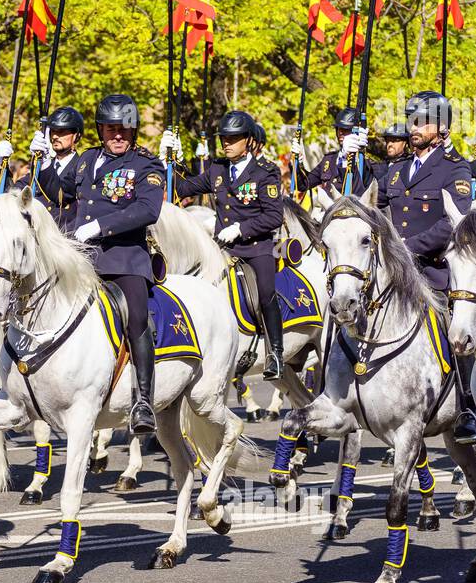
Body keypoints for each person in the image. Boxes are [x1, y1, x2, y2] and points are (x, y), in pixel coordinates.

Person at [32, 94, 164, 433]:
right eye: (110, 129)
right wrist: (45, 161)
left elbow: (148, 210)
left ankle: (144, 401)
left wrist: (99, 227)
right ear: (100, 130)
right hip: (83, 259)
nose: (117, 135)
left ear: (133, 132)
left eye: (124, 130)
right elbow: (59, 193)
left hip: (124, 260)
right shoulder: (86, 159)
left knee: (136, 319)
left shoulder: (146, 165)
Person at [375, 90, 476, 442]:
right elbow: (373, 209)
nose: (414, 128)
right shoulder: (397, 169)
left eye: (423, 121)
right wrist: (350, 159)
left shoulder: (456, 169)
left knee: (456, 332)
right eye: (412, 120)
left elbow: (453, 224)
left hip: (433, 271)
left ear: (442, 127)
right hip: (395, 272)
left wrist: (406, 248)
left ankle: (467, 407)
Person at [166, 111, 287, 379]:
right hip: (222, 248)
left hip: (256, 248)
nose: (227, 143)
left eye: (233, 138)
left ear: (248, 140)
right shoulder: (218, 170)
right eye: (224, 138)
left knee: (265, 293)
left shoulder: (265, 172)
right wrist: (169, 161)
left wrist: (241, 229)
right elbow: (183, 189)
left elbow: (273, 216)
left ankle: (275, 353)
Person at [3, 106, 84, 232]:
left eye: (62, 132)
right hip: (37, 240)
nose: (56, 136)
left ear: (76, 136)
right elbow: (13, 192)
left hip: (64, 239)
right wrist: (2, 165)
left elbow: (60, 196)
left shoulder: (82, 166)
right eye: (53, 131)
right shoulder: (42, 167)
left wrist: (44, 161)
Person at [293, 106, 373, 194]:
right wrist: (296, 163)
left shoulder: (362, 162)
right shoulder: (328, 160)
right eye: (339, 129)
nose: (341, 132)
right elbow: (304, 185)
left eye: (346, 129)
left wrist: (347, 158)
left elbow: (361, 191)